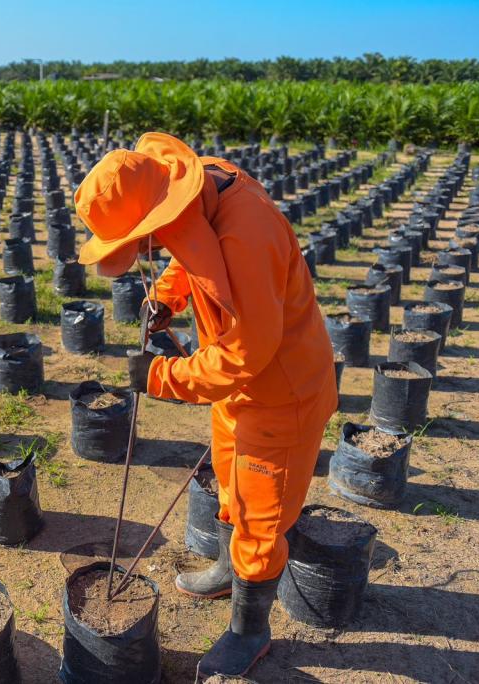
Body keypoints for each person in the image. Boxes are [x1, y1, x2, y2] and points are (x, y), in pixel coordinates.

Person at [74, 132, 337, 680]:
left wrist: (163, 377)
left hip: (279, 392)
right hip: (236, 387)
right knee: (227, 478)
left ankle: (250, 630)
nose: (149, 250)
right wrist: (167, 297)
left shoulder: (248, 237)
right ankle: (226, 566)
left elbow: (249, 353)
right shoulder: (200, 182)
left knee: (262, 516)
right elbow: (192, 247)